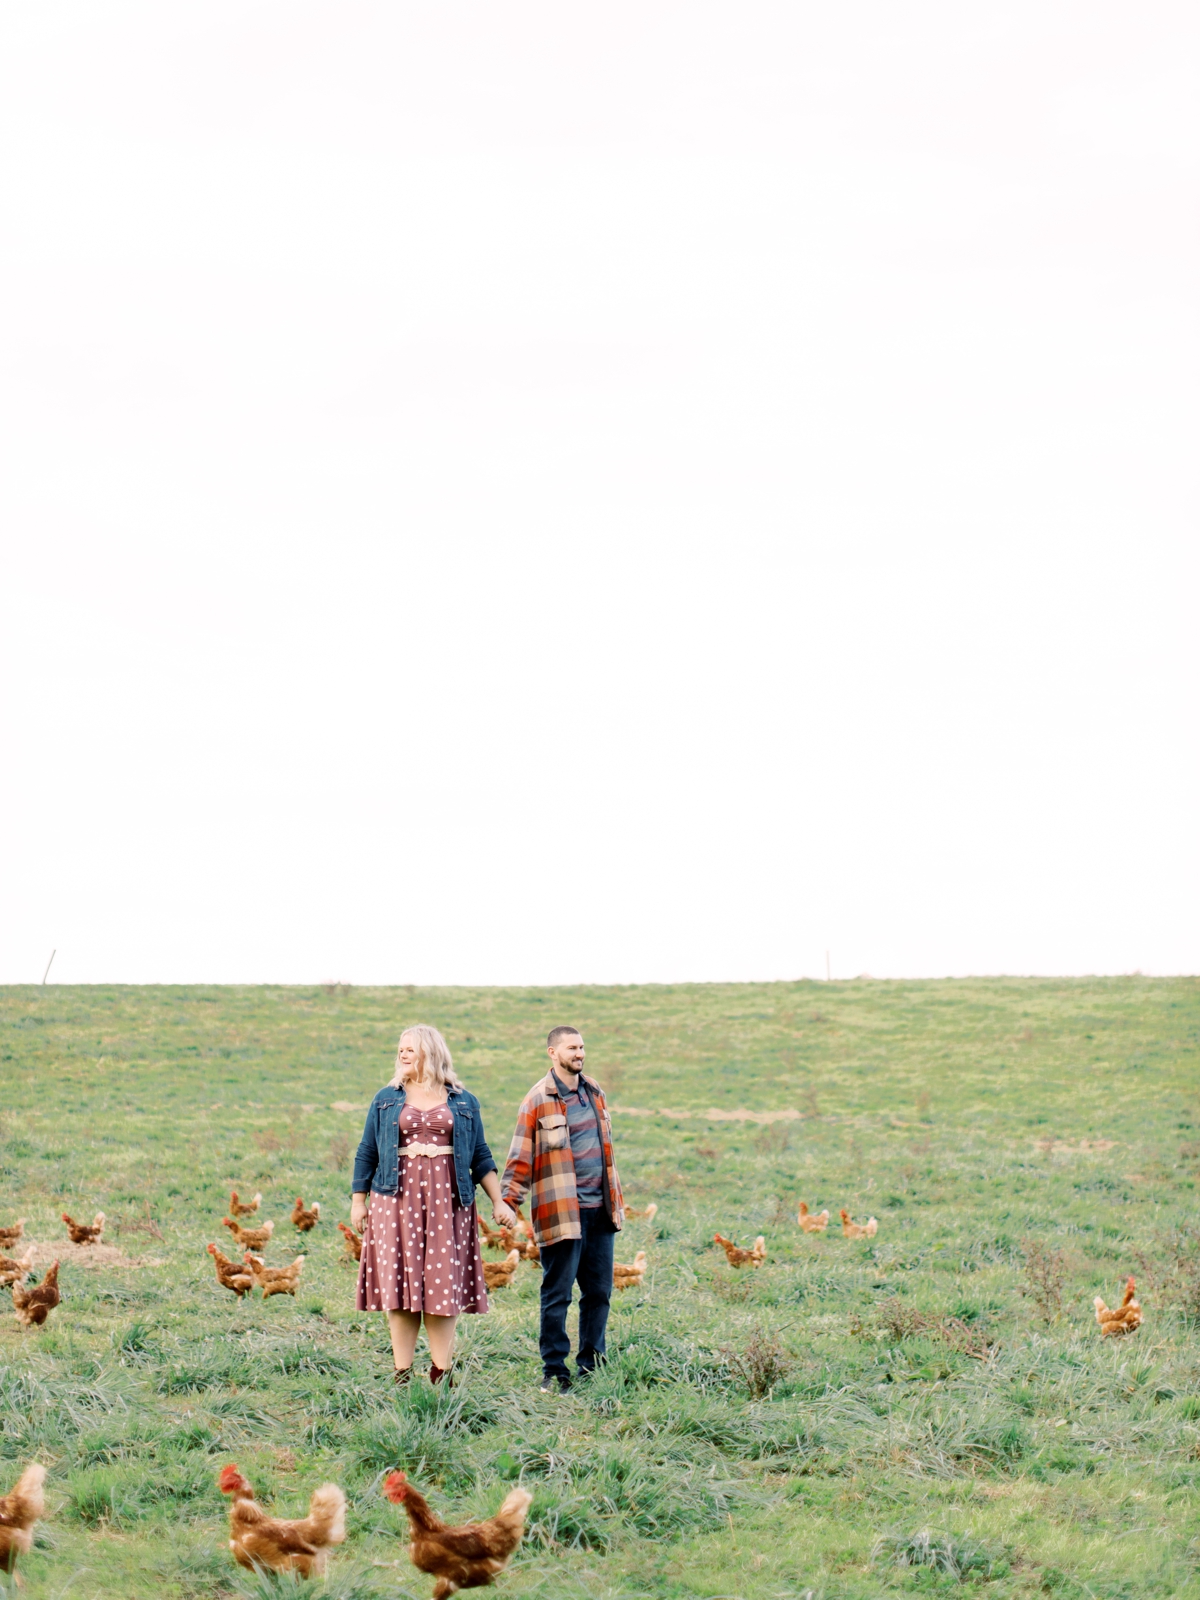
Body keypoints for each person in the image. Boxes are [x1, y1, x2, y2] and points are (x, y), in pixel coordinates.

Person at [351, 1024, 516, 1386]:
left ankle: (441, 1372)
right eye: (400, 1048)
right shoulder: (385, 1098)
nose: (402, 1054)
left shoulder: (463, 1101)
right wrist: (358, 1202)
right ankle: (402, 1373)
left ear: (430, 1051)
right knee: (399, 1288)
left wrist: (498, 1201)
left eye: (410, 1048)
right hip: (394, 1201)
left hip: (448, 1203)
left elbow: (481, 1155)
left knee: (441, 1287)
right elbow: (368, 1151)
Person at [501, 1025, 625, 1392]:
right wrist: (509, 1202)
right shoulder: (537, 1099)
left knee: (599, 1293)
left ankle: (592, 1365)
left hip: (600, 1211)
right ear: (553, 1053)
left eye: (583, 1047)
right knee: (558, 1295)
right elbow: (520, 1157)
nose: (580, 1053)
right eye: (572, 1048)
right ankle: (554, 1369)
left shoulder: (595, 1091)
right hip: (561, 1213)